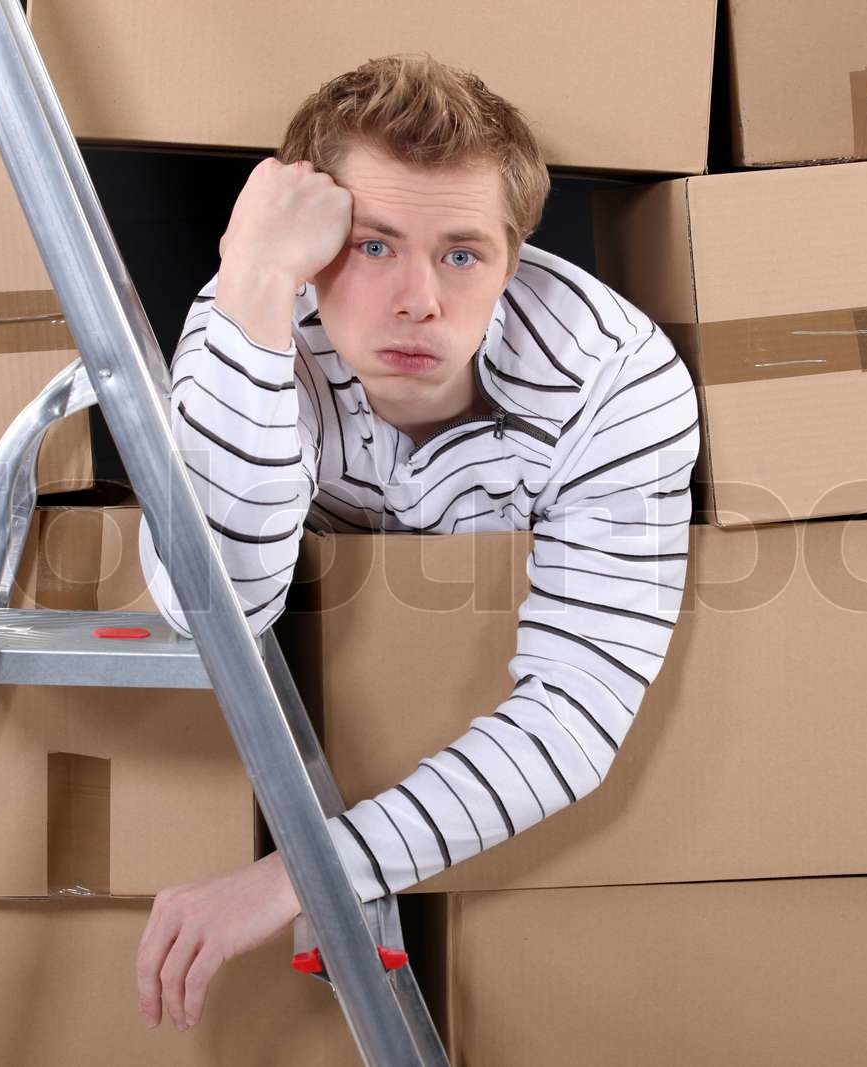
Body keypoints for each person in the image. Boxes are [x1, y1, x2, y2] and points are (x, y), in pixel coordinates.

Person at [133, 52, 699, 1033]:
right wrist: (256, 284)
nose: (419, 300)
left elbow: (575, 713)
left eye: (462, 253)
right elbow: (208, 609)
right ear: (309, 244)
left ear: (512, 260)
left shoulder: (617, 379)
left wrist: (300, 873)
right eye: (373, 244)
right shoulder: (251, 318)